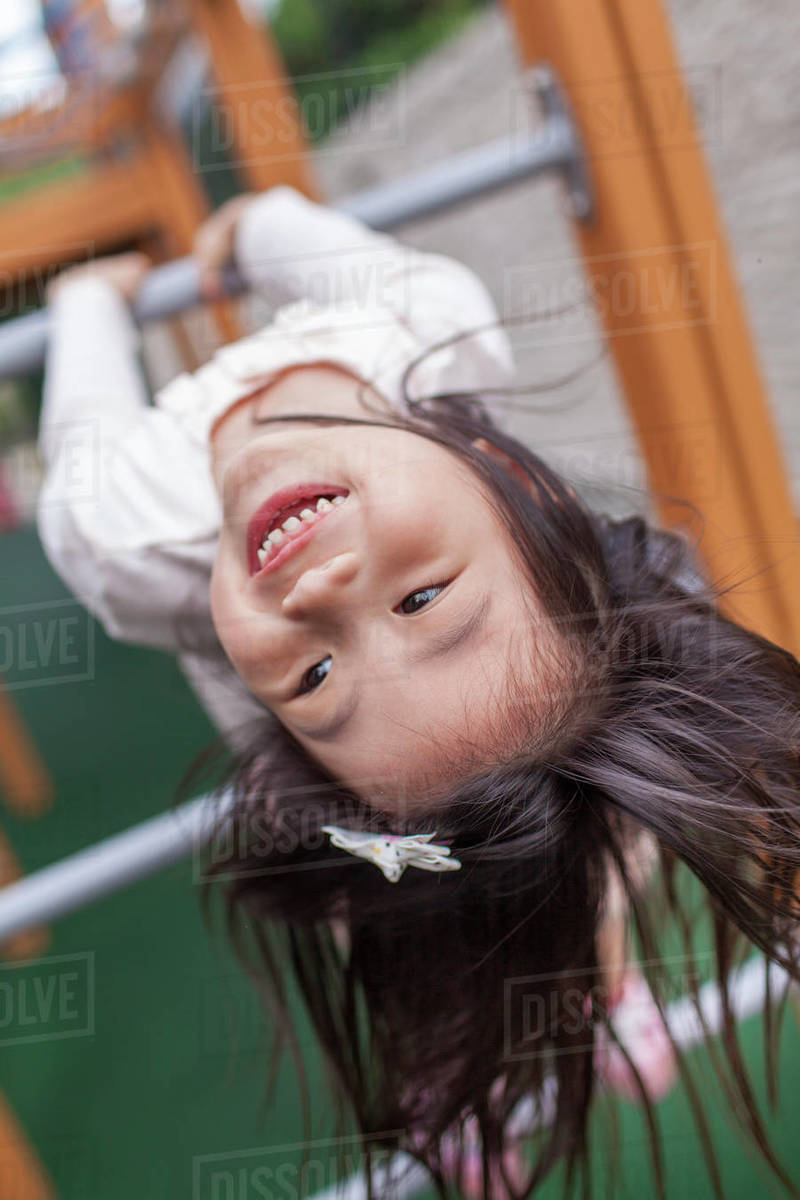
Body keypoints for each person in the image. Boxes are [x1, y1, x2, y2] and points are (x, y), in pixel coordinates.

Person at [38, 187, 800, 1199]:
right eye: (424, 597)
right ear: (506, 478)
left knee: (574, 858)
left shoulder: (115, 523)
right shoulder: (423, 326)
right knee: (395, 925)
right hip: (367, 821)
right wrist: (256, 229)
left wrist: (90, 302)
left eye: (313, 676)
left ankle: (605, 984)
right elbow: (321, 246)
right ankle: (451, 1078)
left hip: (461, 793)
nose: (317, 594)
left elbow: (84, 414)